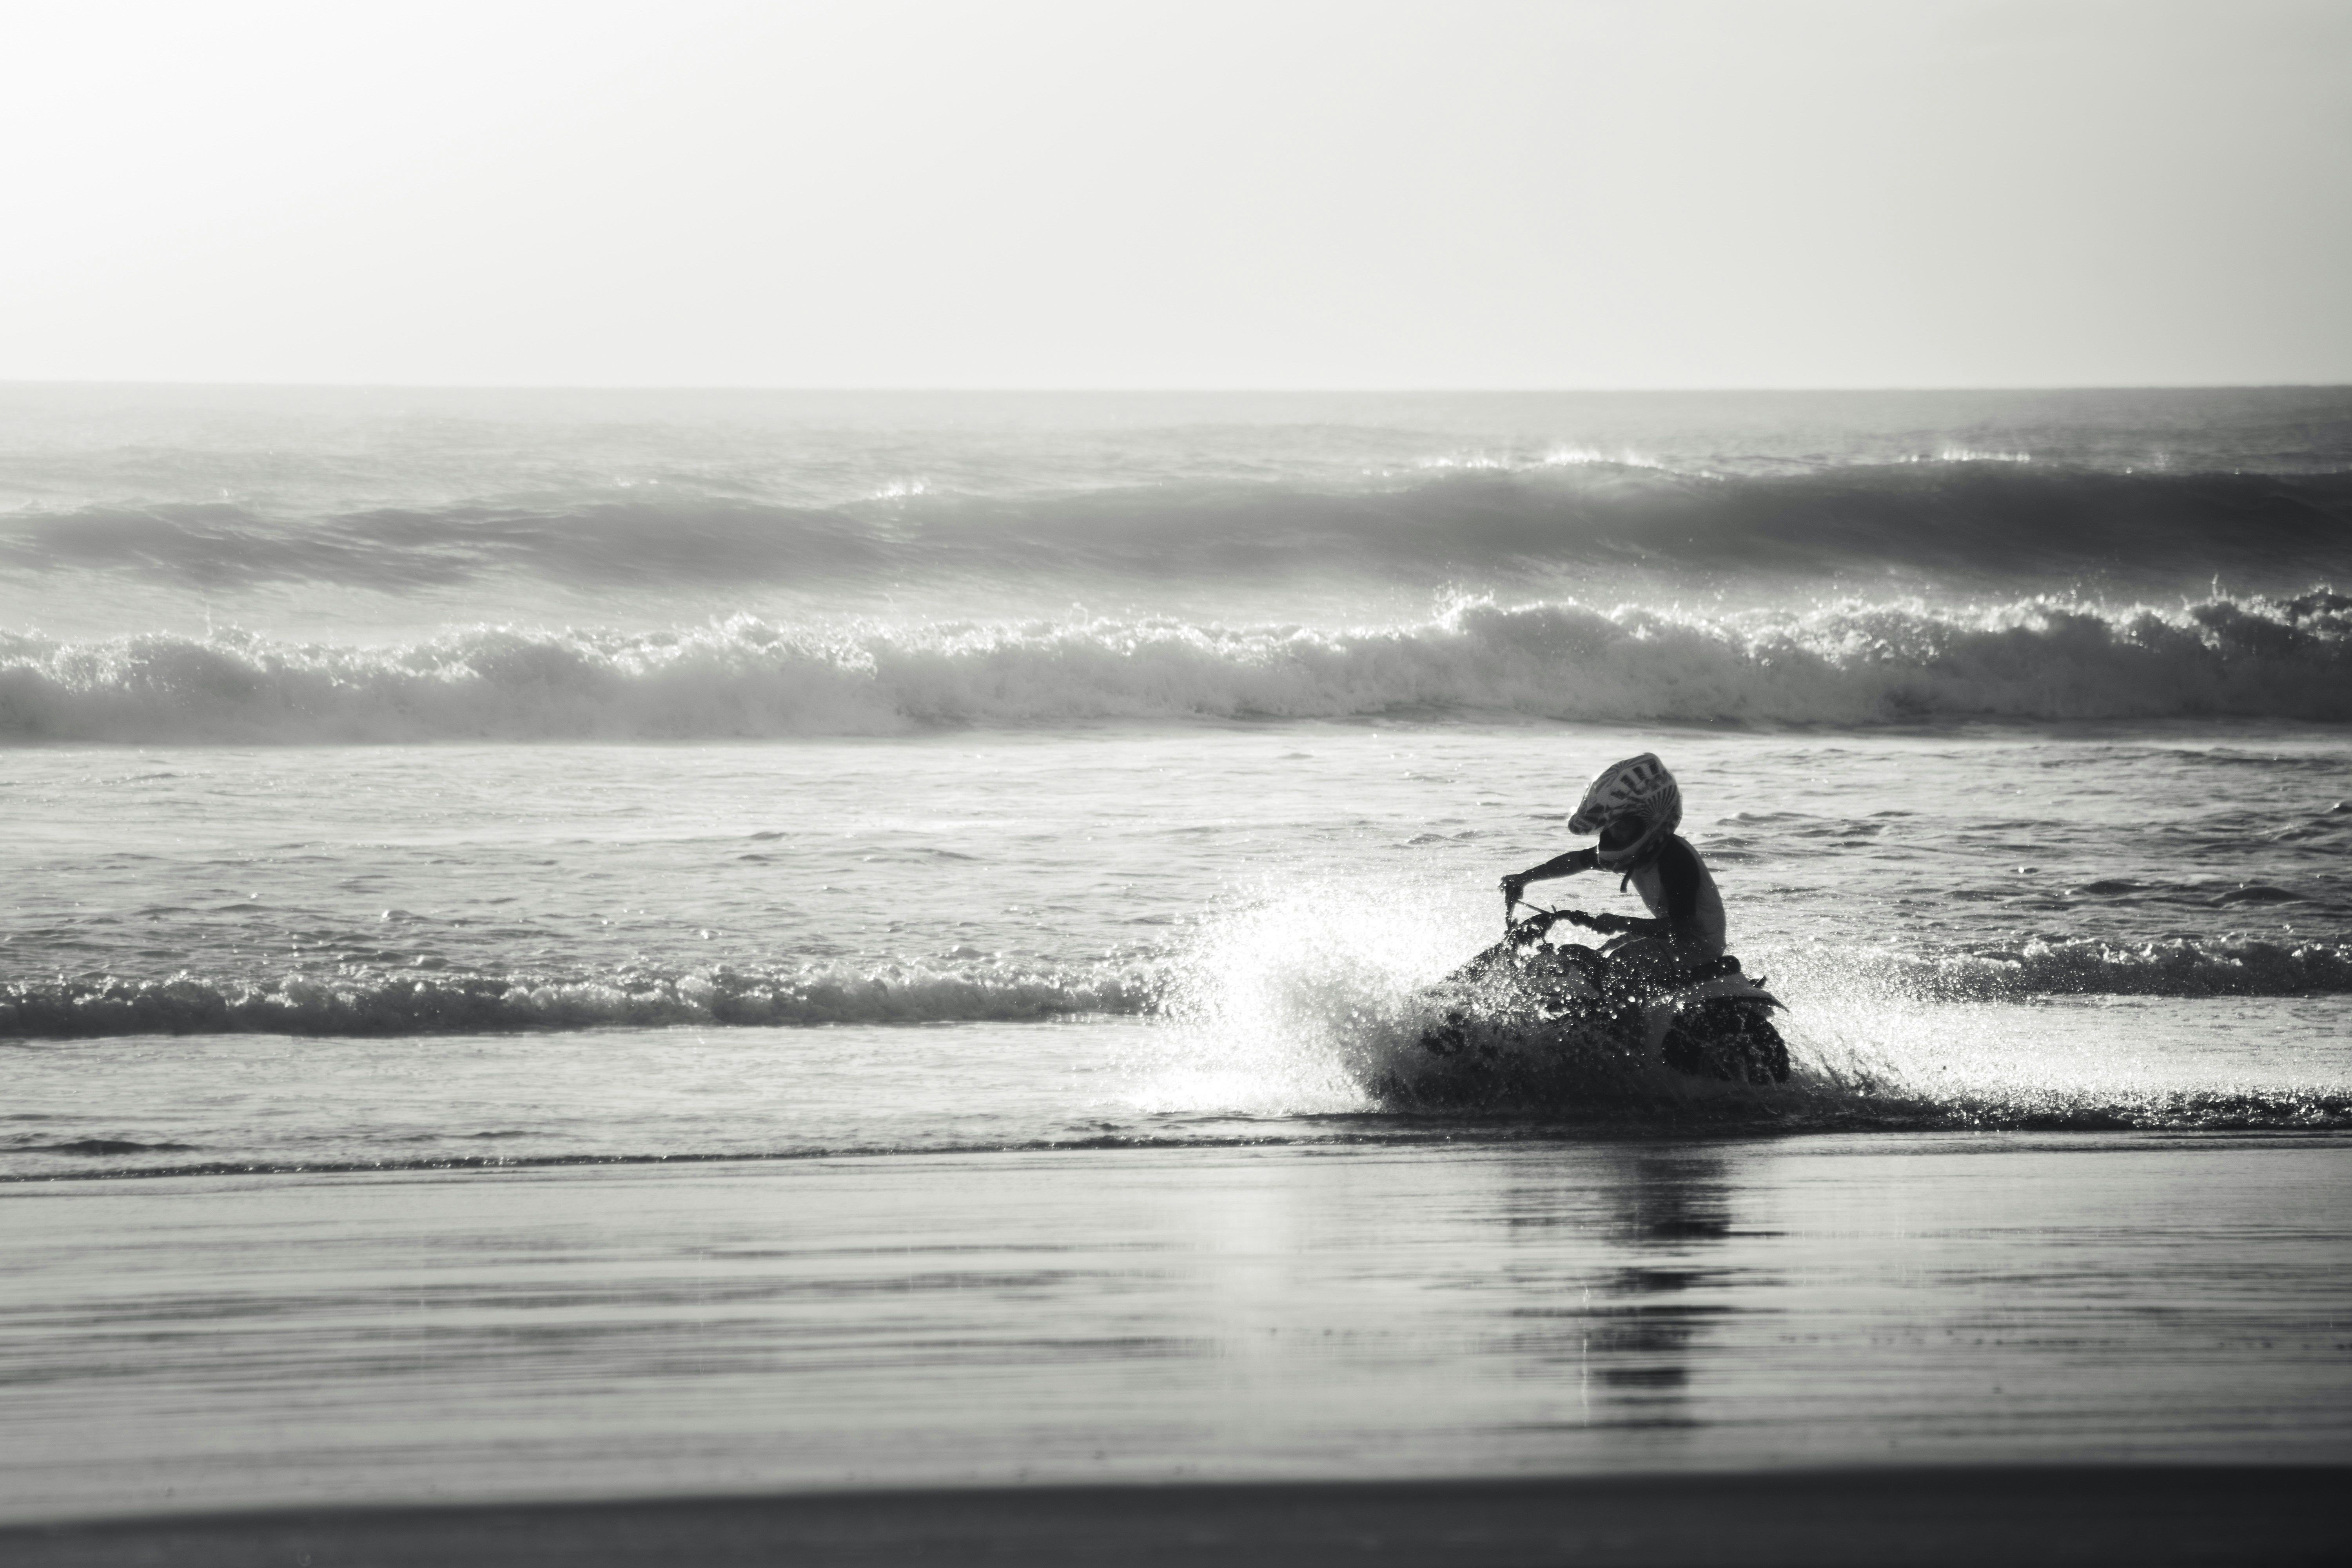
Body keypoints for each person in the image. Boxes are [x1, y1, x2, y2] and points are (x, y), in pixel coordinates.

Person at [1498, 752, 1726, 996]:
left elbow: (1683, 927)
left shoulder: (1673, 858)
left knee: (1616, 967)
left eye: (1622, 825)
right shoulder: (1637, 852)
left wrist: (1621, 922)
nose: (1615, 834)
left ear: (1651, 820)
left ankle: (1627, 1032)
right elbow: (1577, 861)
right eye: (1611, 827)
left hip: (1697, 946)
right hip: (1672, 938)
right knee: (1597, 955)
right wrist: (1524, 878)